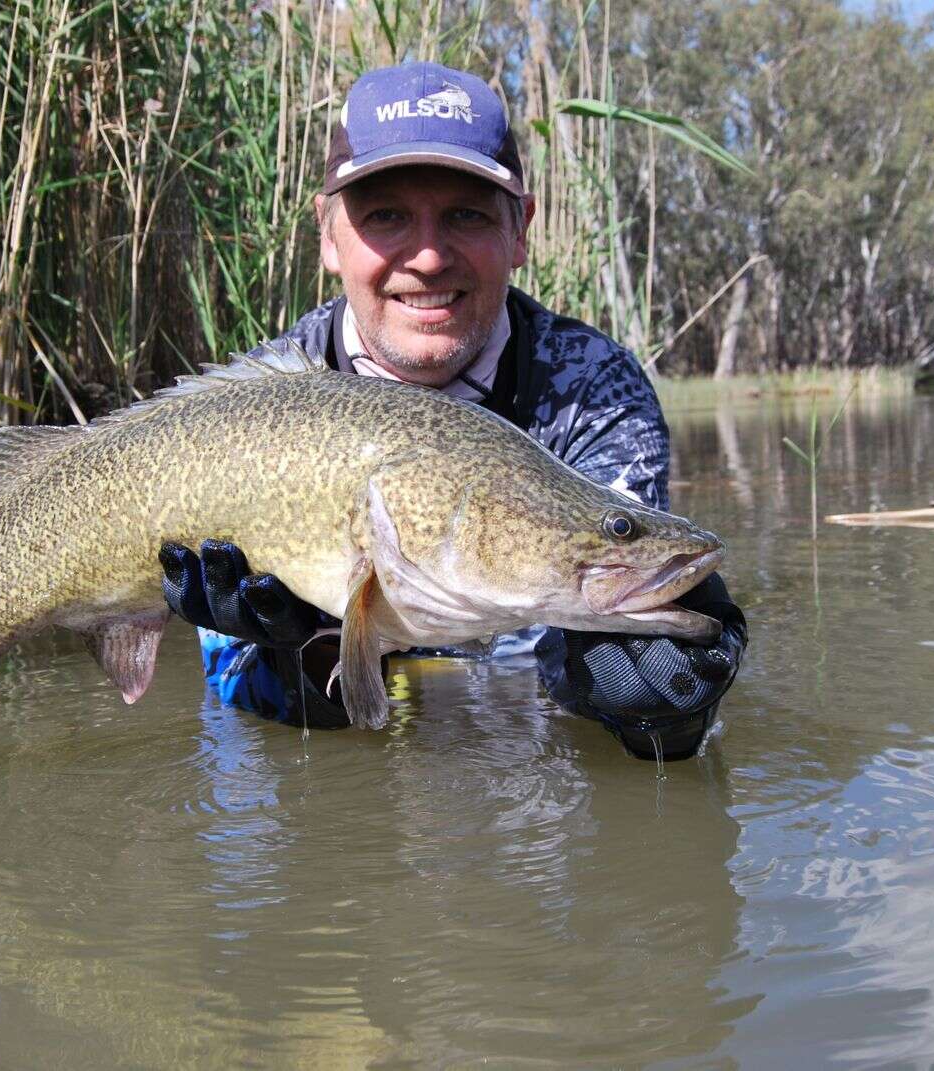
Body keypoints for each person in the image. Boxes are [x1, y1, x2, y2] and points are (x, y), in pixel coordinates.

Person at [159, 62, 746, 761]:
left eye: (466, 215)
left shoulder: (595, 388)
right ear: (327, 233)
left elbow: (583, 658)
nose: (429, 256)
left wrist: (653, 706)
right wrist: (305, 656)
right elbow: (243, 701)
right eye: (386, 216)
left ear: (521, 229)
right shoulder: (250, 416)